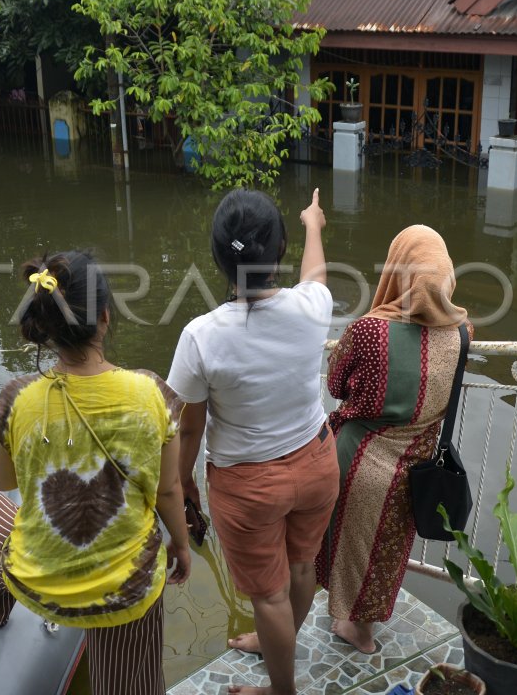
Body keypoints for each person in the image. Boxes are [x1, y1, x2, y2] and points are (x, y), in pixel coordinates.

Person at [0, 251, 191, 695]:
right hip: (125, 584)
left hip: (40, 580)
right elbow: (169, 490)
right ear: (104, 318)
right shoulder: (151, 392)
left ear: (45, 326)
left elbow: (2, 482)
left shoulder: (17, 397)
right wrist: (181, 544)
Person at [168, 189, 339, 695]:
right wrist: (313, 224)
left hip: (247, 487)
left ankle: (280, 689)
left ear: (219, 256)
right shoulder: (314, 307)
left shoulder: (201, 336)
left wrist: (183, 483)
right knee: (303, 566)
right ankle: (275, 642)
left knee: (269, 597)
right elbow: (317, 276)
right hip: (316, 464)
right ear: (280, 248)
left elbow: (190, 428)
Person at [315, 224, 471, 653]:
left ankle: (344, 620)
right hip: (416, 467)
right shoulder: (462, 333)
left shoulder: (368, 331)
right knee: (385, 550)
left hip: (359, 458)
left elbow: (337, 384)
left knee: (346, 541)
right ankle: (363, 629)